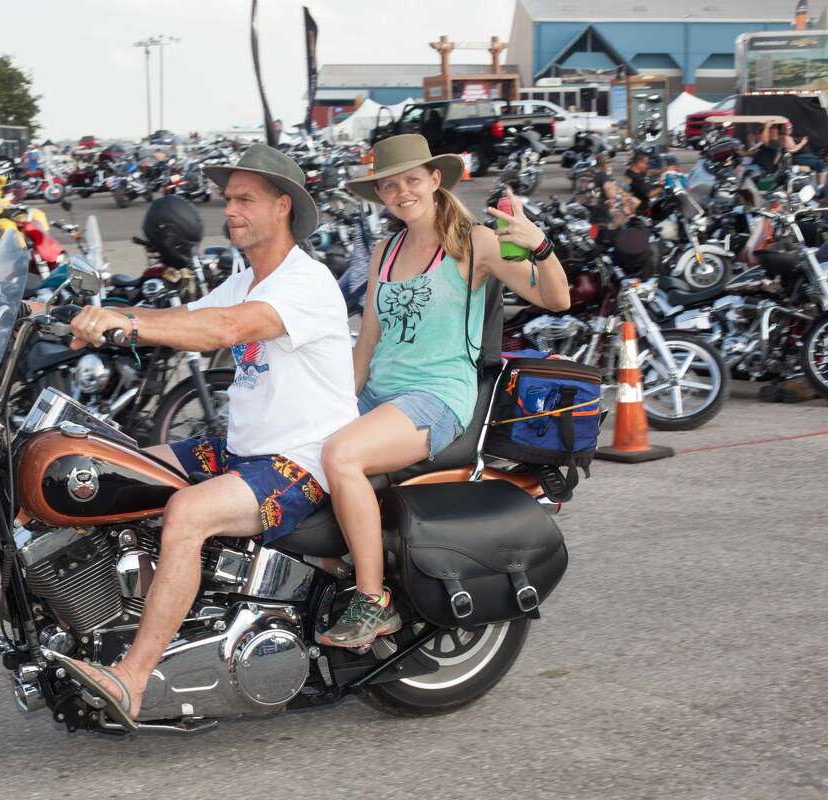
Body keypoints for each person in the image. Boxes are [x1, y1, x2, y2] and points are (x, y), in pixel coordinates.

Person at [41, 144, 358, 727]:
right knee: (109, 466)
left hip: (301, 458)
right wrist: (82, 316)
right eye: (228, 198)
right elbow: (187, 320)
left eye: (244, 199)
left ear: (282, 207)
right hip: (242, 445)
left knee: (187, 512)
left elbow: (225, 329)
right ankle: (86, 617)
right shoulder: (246, 278)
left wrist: (126, 321)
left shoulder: (305, 283)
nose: (229, 210)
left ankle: (132, 679)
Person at [316, 133, 572, 647]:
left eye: (412, 180)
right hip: (380, 394)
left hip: (437, 397)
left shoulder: (473, 241)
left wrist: (537, 243)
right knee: (297, 451)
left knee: (341, 456)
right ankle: (326, 577)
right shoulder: (385, 250)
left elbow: (556, 297)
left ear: (435, 180)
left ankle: (373, 603)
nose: (401, 192)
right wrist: (335, 403)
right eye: (390, 185)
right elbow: (368, 339)